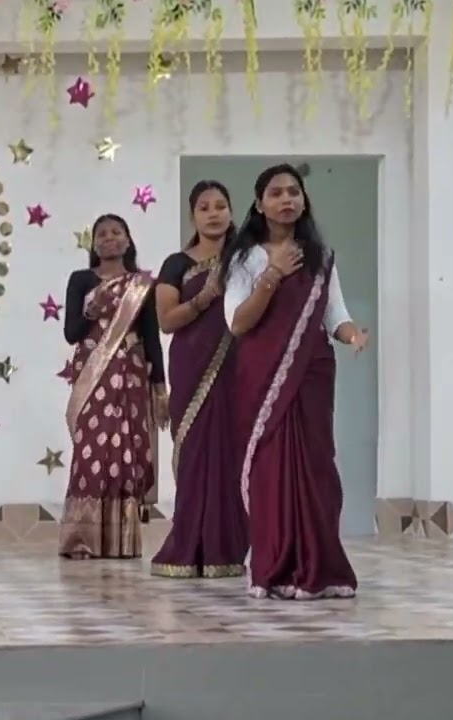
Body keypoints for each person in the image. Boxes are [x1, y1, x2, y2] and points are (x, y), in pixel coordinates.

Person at [222, 163, 368, 600]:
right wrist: (273, 274)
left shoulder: (321, 256)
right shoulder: (244, 257)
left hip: (313, 374)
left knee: (316, 467)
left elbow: (334, 314)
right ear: (259, 204)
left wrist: (352, 335)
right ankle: (273, 567)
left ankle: (322, 569)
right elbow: (236, 322)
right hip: (262, 375)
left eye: (294, 192)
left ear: (304, 200)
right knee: (271, 468)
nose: (286, 200)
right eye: (276, 193)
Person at [148, 180, 249, 579]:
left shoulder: (247, 258)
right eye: (204, 207)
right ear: (193, 215)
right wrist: (205, 298)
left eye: (221, 205)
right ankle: (189, 545)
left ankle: (228, 547)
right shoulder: (177, 263)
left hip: (238, 366)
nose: (213, 213)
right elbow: (166, 321)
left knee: (232, 453)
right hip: (191, 366)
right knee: (194, 454)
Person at [58, 214, 168, 560]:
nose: (109, 238)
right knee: (90, 451)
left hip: (130, 374)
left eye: (116, 232)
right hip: (93, 373)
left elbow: (151, 337)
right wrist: (93, 310)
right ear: (93, 244)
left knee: (127, 450)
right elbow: (71, 333)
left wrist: (160, 386)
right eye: (102, 234)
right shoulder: (80, 280)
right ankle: (82, 539)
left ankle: (122, 541)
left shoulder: (141, 285)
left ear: (128, 240)